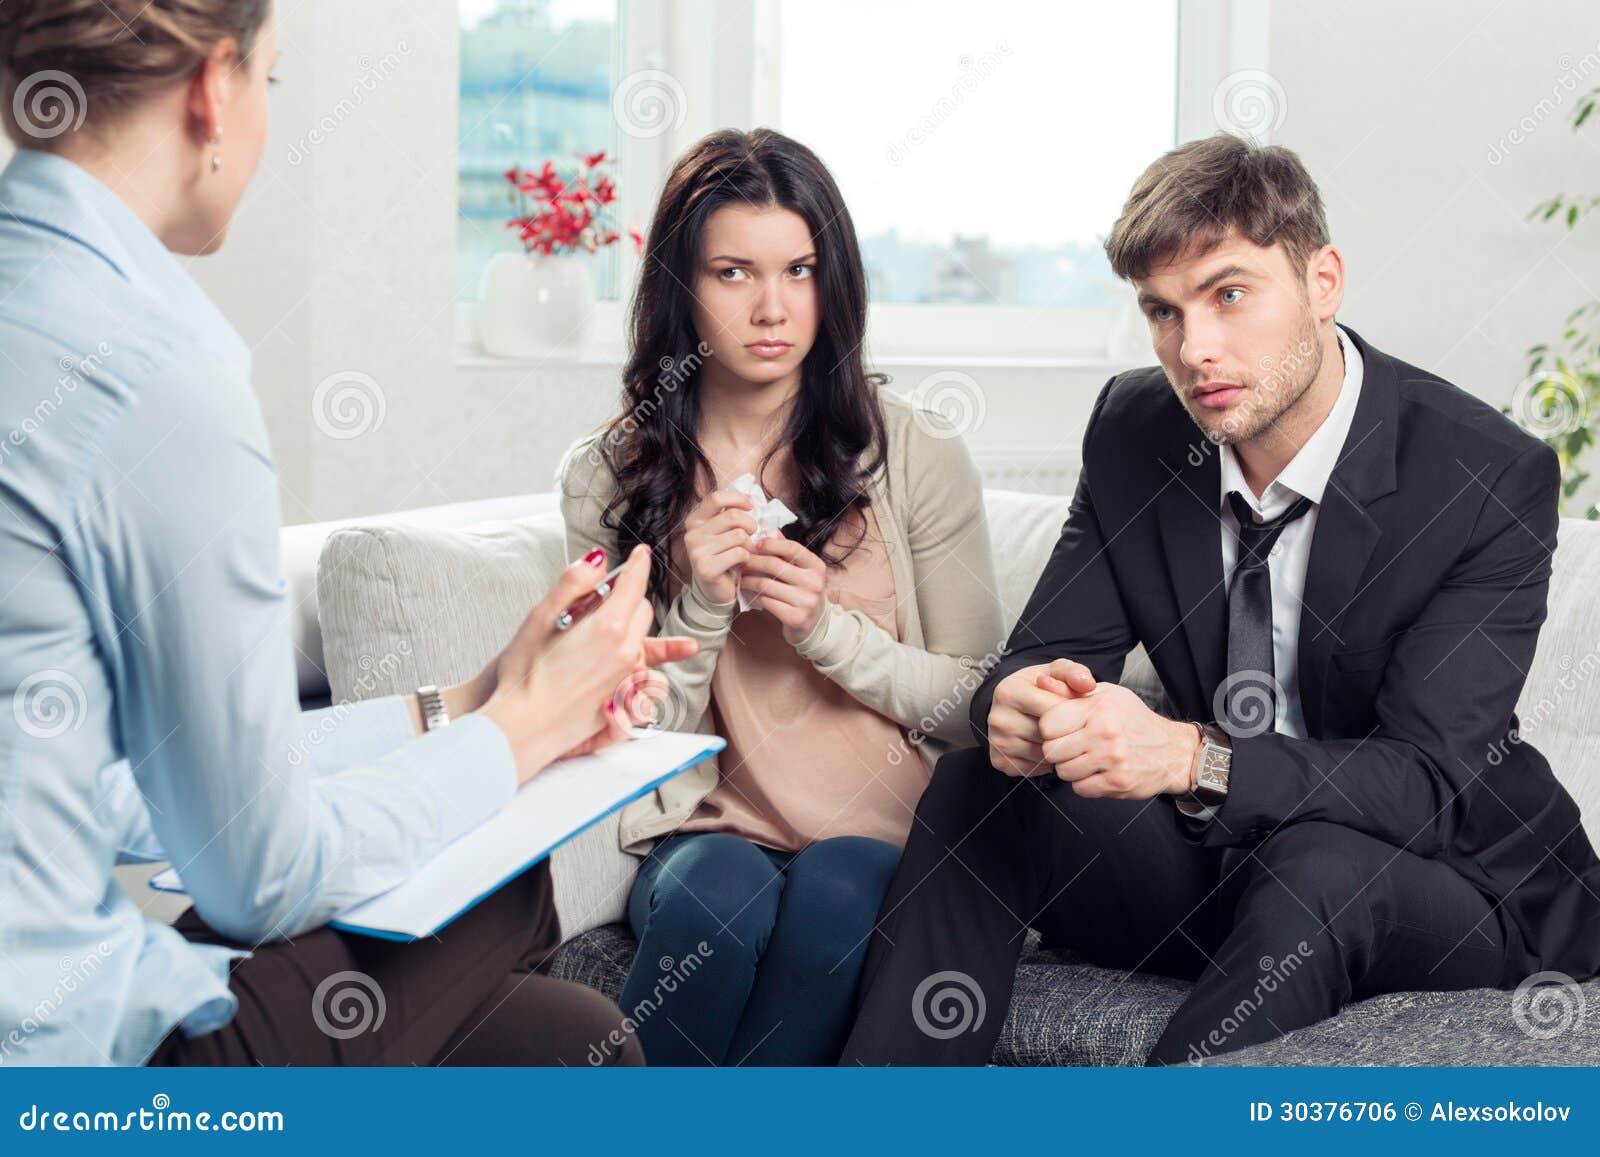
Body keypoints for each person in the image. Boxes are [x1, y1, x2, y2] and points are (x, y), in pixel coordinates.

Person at [0, 0, 691, 1066]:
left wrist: (470, 702)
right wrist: (527, 733)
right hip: (70, 1073)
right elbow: (257, 872)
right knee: (506, 890)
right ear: (211, 87)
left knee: (572, 1044)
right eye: (270, 83)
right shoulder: (154, 362)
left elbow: (112, 792)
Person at [841, 132, 1600, 1066]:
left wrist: (1192, 754)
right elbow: (1046, 655)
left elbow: (1428, 781)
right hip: (1224, 866)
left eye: (1229, 294)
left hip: (1446, 884)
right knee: (978, 786)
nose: (1194, 349)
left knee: (1319, 862)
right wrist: (1021, 707)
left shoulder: (1482, 475)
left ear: (1323, 282)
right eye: (1163, 311)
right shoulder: (1135, 431)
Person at [559, 128, 1005, 1065]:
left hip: (888, 833)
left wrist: (824, 629)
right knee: (717, 895)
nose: (772, 307)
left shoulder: (916, 452)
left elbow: (980, 698)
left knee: (840, 889)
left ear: (832, 281)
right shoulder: (611, 475)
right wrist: (702, 605)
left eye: (799, 270)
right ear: (683, 289)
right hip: (711, 829)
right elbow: (610, 729)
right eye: (733, 272)